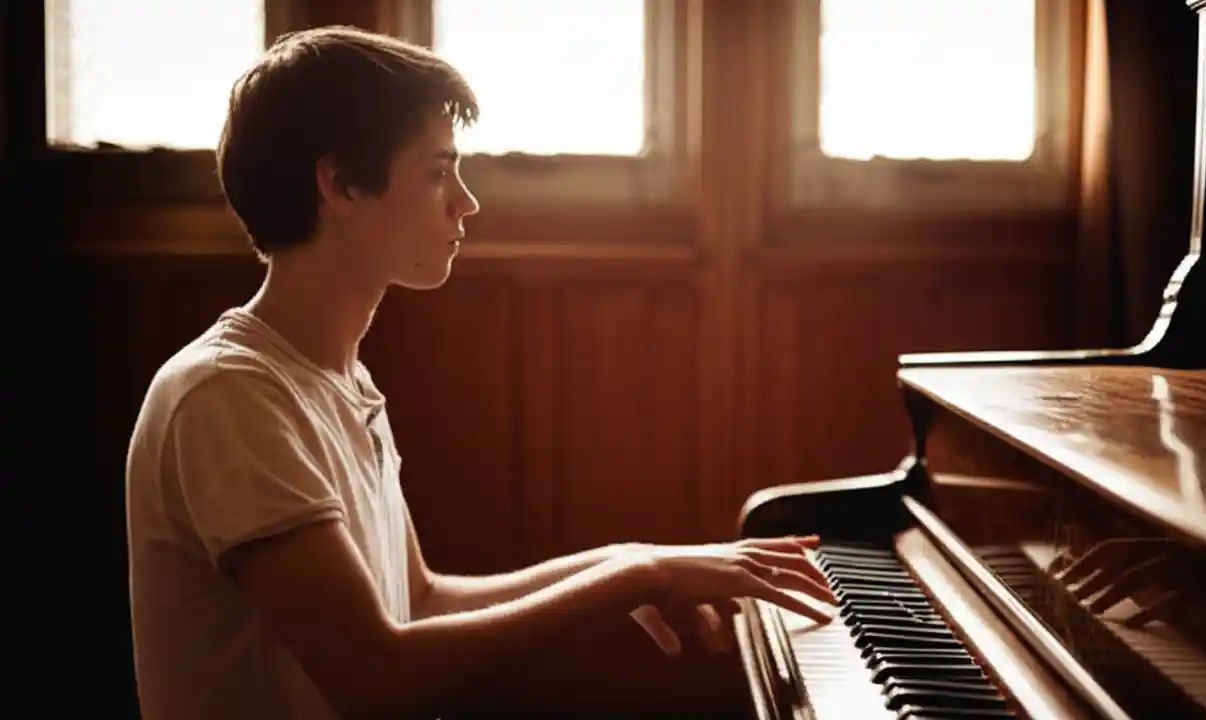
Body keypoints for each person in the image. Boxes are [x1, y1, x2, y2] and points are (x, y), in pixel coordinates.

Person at [125, 25, 837, 720]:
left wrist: (635, 558)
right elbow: (377, 676)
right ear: (339, 183)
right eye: (438, 172)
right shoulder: (230, 395)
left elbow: (423, 599)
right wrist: (638, 579)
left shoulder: (338, 379)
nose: (466, 201)